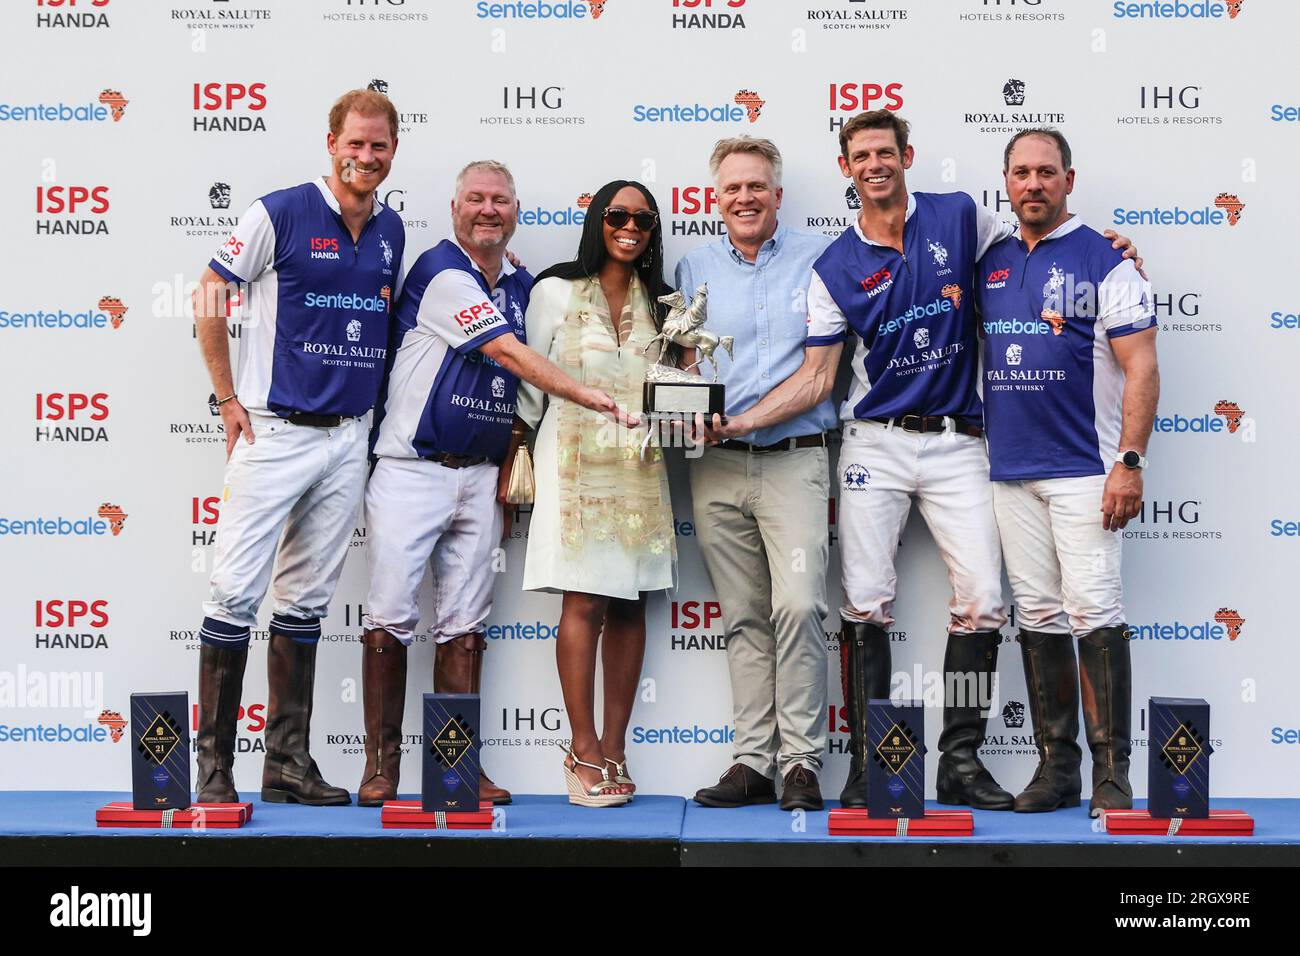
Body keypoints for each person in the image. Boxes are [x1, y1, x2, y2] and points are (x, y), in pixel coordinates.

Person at [707, 110, 1141, 812]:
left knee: (983, 604)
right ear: (846, 169)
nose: (875, 163)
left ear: (907, 155)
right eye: (861, 155)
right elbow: (818, 379)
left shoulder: (962, 216)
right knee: (864, 606)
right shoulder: (832, 268)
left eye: (885, 151)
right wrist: (738, 422)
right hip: (874, 443)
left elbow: (1042, 246)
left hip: (959, 442)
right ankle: (873, 768)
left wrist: (1112, 251)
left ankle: (959, 763)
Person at [356, 160, 627, 808]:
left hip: (478, 478)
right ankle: (381, 770)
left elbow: (524, 384)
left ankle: (456, 770)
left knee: (464, 626)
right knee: (390, 616)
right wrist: (591, 396)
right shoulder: (440, 271)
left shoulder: (521, 283)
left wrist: (516, 454)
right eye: (476, 199)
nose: (488, 210)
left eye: (500, 201)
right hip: (410, 470)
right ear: (454, 209)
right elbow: (509, 355)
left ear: (515, 210)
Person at [191, 89, 404, 806]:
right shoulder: (279, 211)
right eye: (355, 143)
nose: (365, 157)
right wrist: (226, 398)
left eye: (378, 146)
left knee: (306, 602)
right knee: (233, 594)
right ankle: (213, 769)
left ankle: (285, 764)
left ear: (393, 152)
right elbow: (209, 293)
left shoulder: (391, 231)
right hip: (275, 430)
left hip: (348, 438)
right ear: (331, 142)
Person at [977, 129, 1157, 816]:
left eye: (1046, 173)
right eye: (1021, 173)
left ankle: (1113, 774)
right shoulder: (987, 259)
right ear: (1006, 182)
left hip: (1085, 469)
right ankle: (1057, 771)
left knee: (1096, 613)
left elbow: (1142, 366)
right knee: (1042, 617)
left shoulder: (1104, 260)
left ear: (1068, 180)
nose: (1033, 184)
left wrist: (1130, 464)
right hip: (1009, 470)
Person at [676, 137, 837, 812]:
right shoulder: (693, 266)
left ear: (777, 194)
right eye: (732, 188)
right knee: (742, 618)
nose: (744, 197)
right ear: (716, 197)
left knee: (798, 607)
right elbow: (682, 363)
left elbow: (818, 373)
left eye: (756, 187)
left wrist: (742, 420)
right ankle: (754, 762)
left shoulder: (820, 257)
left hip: (793, 457)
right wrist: (684, 411)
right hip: (713, 467)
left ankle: (801, 762)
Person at [504, 180, 676, 807]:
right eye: (618, 215)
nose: (630, 226)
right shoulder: (553, 290)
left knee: (632, 605)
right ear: (599, 220)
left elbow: (677, 385)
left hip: (639, 462)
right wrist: (515, 448)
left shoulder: (664, 302)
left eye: (643, 219)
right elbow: (529, 375)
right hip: (574, 457)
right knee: (586, 599)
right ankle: (581, 750)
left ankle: (616, 748)